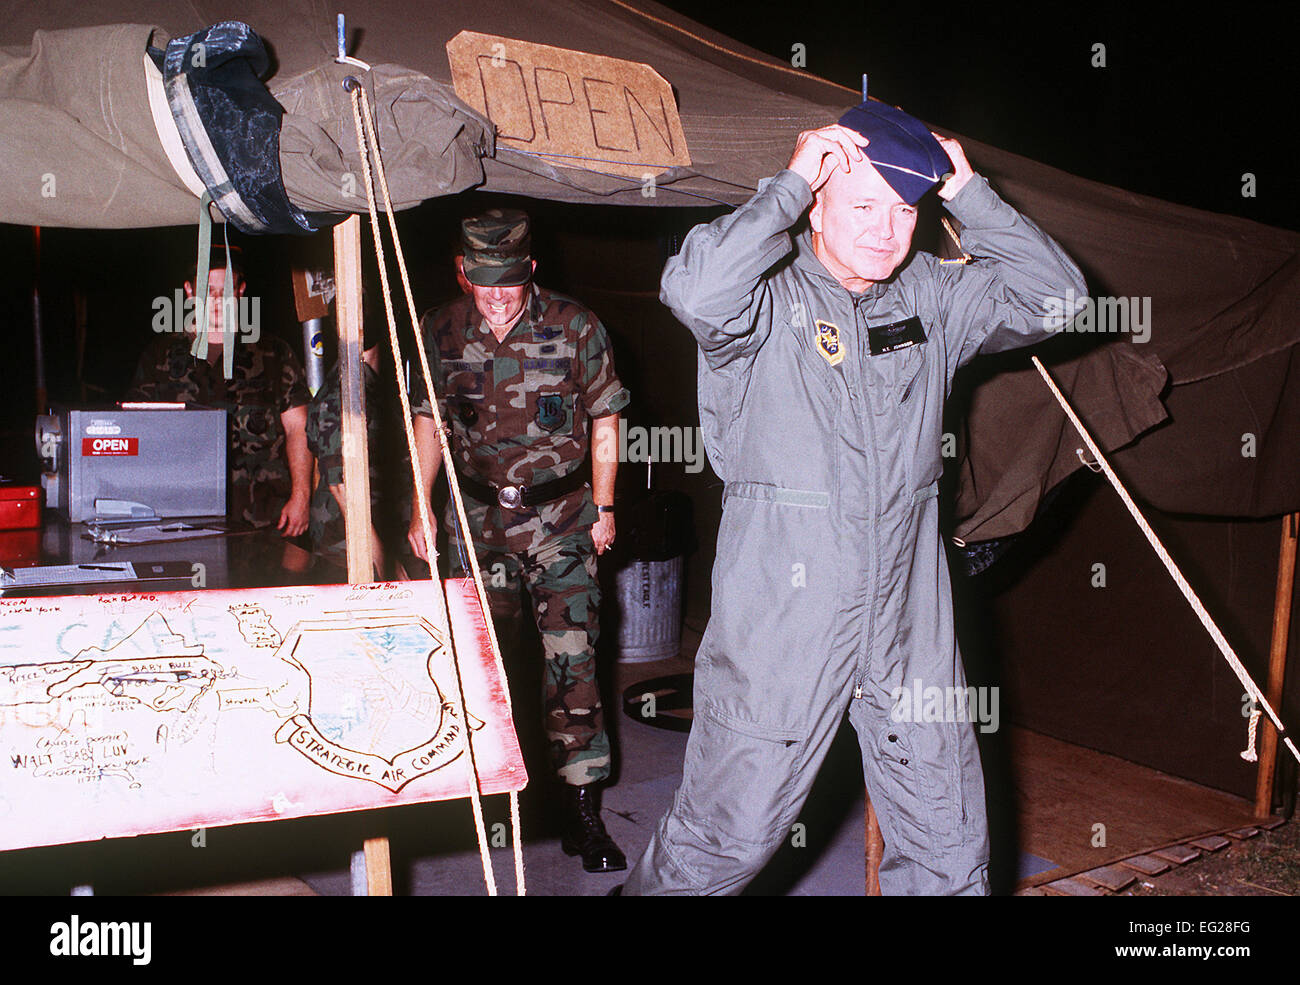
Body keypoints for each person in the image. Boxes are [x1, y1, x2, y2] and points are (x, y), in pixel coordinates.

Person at [622, 100, 1088, 895]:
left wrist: (971, 195)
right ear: (818, 206)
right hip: (783, 623)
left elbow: (1062, 301)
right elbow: (694, 291)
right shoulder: (763, 298)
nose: (886, 230)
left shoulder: (932, 297)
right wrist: (790, 181)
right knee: (723, 841)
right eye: (863, 205)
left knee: (948, 844)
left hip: (909, 619)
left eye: (905, 209)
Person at [407, 209, 631, 873]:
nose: (499, 295)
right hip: (477, 524)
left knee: (574, 658)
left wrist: (606, 504)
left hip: (561, 518)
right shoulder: (440, 328)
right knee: (478, 663)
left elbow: (607, 417)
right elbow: (430, 423)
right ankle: (476, 796)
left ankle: (582, 811)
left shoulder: (575, 326)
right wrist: (419, 507)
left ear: (531, 270)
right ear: (462, 273)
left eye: (509, 281)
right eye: (484, 283)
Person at [126, 247, 312, 534]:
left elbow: (299, 429)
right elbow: (138, 435)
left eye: (224, 289)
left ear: (240, 291)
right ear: (189, 291)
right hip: (181, 520)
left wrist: (301, 498)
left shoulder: (273, 353)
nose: (215, 300)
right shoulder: (159, 357)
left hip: (265, 521)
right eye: (206, 290)